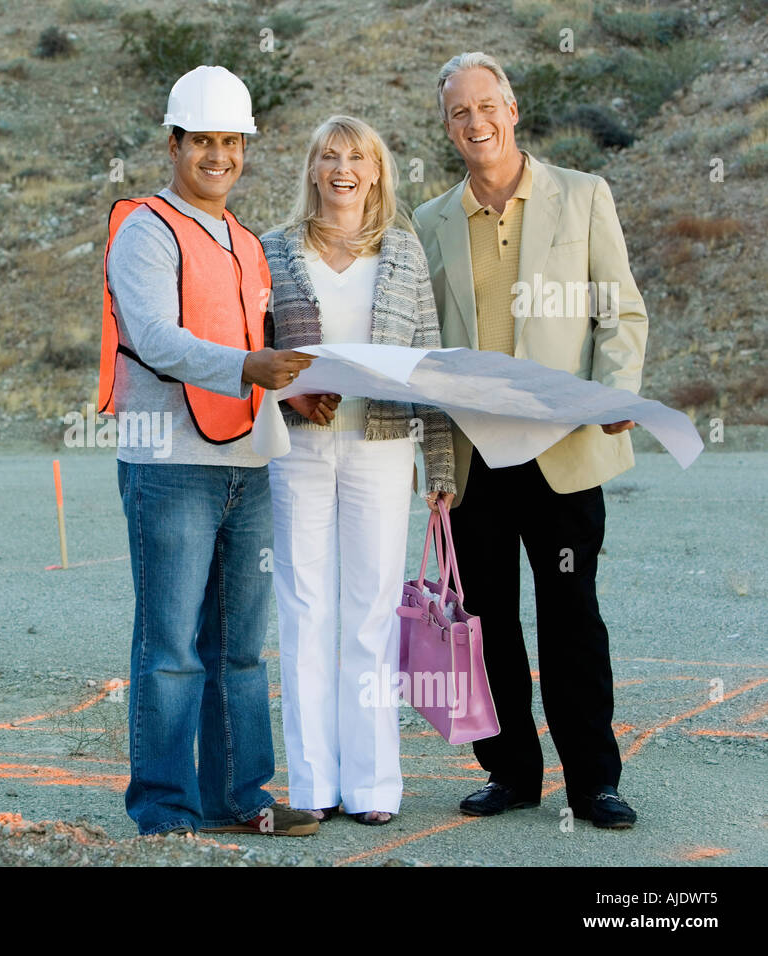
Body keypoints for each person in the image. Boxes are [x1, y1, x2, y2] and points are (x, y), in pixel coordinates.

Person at [412, 52, 648, 829]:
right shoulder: (430, 221)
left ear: (512, 110)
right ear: (447, 128)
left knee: (572, 615)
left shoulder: (583, 196)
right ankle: (512, 772)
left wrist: (615, 388)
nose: (475, 122)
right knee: (489, 622)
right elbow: (429, 347)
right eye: (458, 113)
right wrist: (437, 461)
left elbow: (622, 313)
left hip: (563, 450)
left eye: (487, 106)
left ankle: (595, 782)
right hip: (477, 461)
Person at [99, 65, 320, 837]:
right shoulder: (144, 232)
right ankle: (163, 812)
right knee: (171, 649)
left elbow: (251, 343)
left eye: (231, 141)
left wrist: (289, 389)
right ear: (174, 143)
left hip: (248, 463)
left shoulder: (246, 243)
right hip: (170, 467)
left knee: (240, 651)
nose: (218, 155)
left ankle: (239, 798)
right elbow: (157, 339)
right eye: (203, 141)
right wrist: (246, 369)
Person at [260, 115, 456, 826]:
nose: (343, 168)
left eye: (358, 158)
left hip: (382, 449)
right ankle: (312, 787)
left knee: (372, 614)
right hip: (299, 449)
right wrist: (288, 396)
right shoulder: (273, 250)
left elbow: (428, 365)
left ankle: (373, 788)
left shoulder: (403, 254)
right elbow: (252, 350)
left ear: (376, 173)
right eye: (329, 156)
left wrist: (439, 465)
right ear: (313, 170)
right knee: (305, 610)